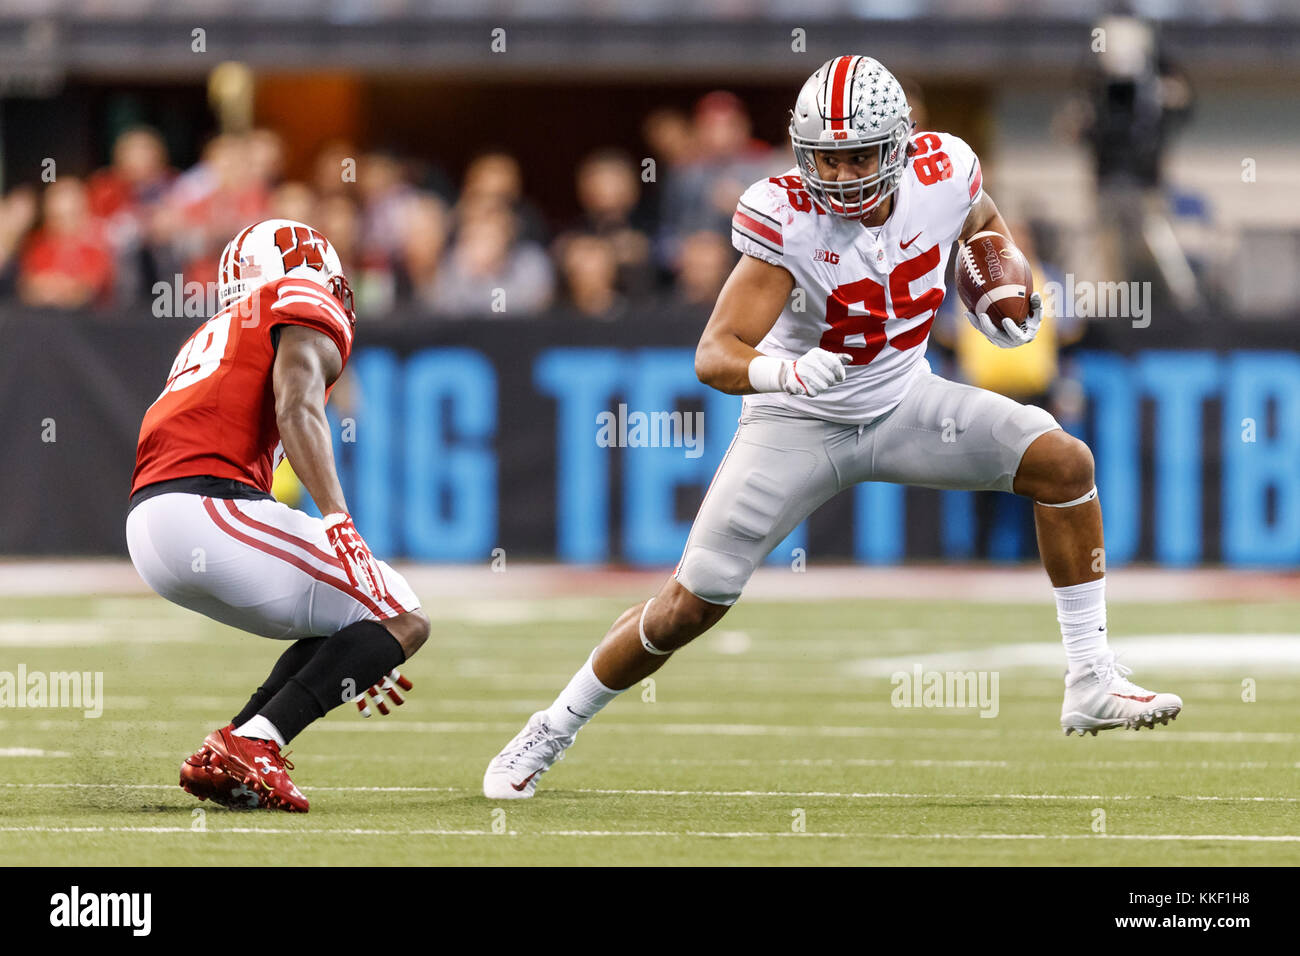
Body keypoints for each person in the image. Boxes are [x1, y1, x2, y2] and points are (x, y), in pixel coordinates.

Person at [483, 55, 1182, 799]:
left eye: (858, 157)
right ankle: (551, 727)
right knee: (689, 606)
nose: (842, 176)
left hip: (906, 403)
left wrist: (999, 292)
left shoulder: (946, 169)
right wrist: (783, 372)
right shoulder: (784, 216)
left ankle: (1090, 677)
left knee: (1064, 463)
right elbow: (714, 354)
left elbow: (979, 222)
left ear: (903, 146)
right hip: (797, 422)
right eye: (826, 158)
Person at [126, 218, 429, 812]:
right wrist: (339, 519)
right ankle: (257, 742)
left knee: (363, 616)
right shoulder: (301, 300)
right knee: (406, 616)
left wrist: (362, 642)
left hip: (152, 524)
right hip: (207, 507)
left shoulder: (212, 334)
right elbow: (298, 404)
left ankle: (228, 752)